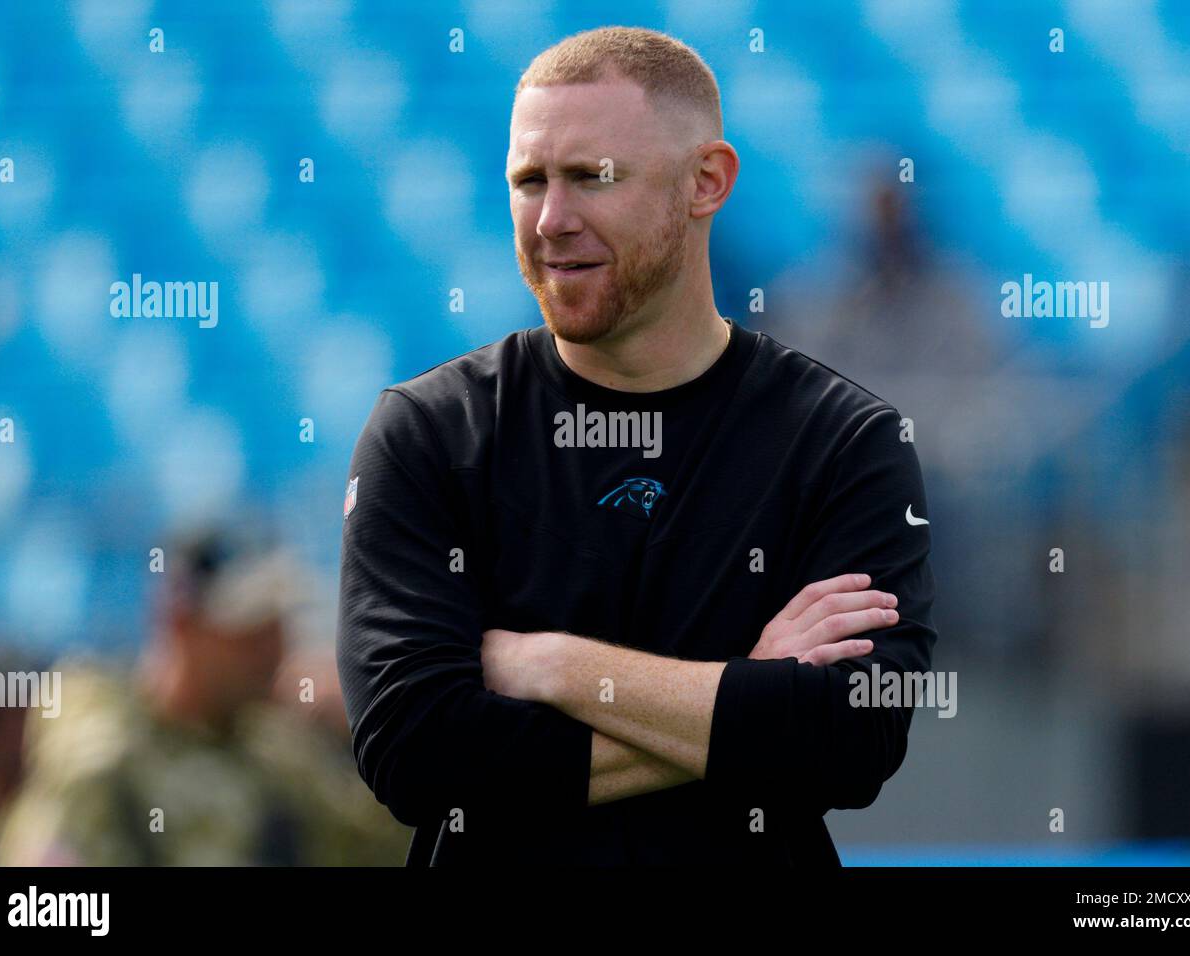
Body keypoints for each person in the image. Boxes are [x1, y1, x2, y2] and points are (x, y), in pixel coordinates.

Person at [337, 26, 937, 866]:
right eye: (528, 181)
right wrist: (744, 686)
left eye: (591, 177)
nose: (551, 220)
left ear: (705, 182)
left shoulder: (842, 443)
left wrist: (551, 665)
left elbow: (853, 736)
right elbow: (415, 751)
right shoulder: (430, 434)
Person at [0, 526, 411, 866]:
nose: (271, 648)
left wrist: (368, 727)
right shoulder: (101, 723)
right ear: (180, 623)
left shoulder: (280, 751)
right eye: (247, 627)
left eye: (277, 625)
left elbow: (390, 848)